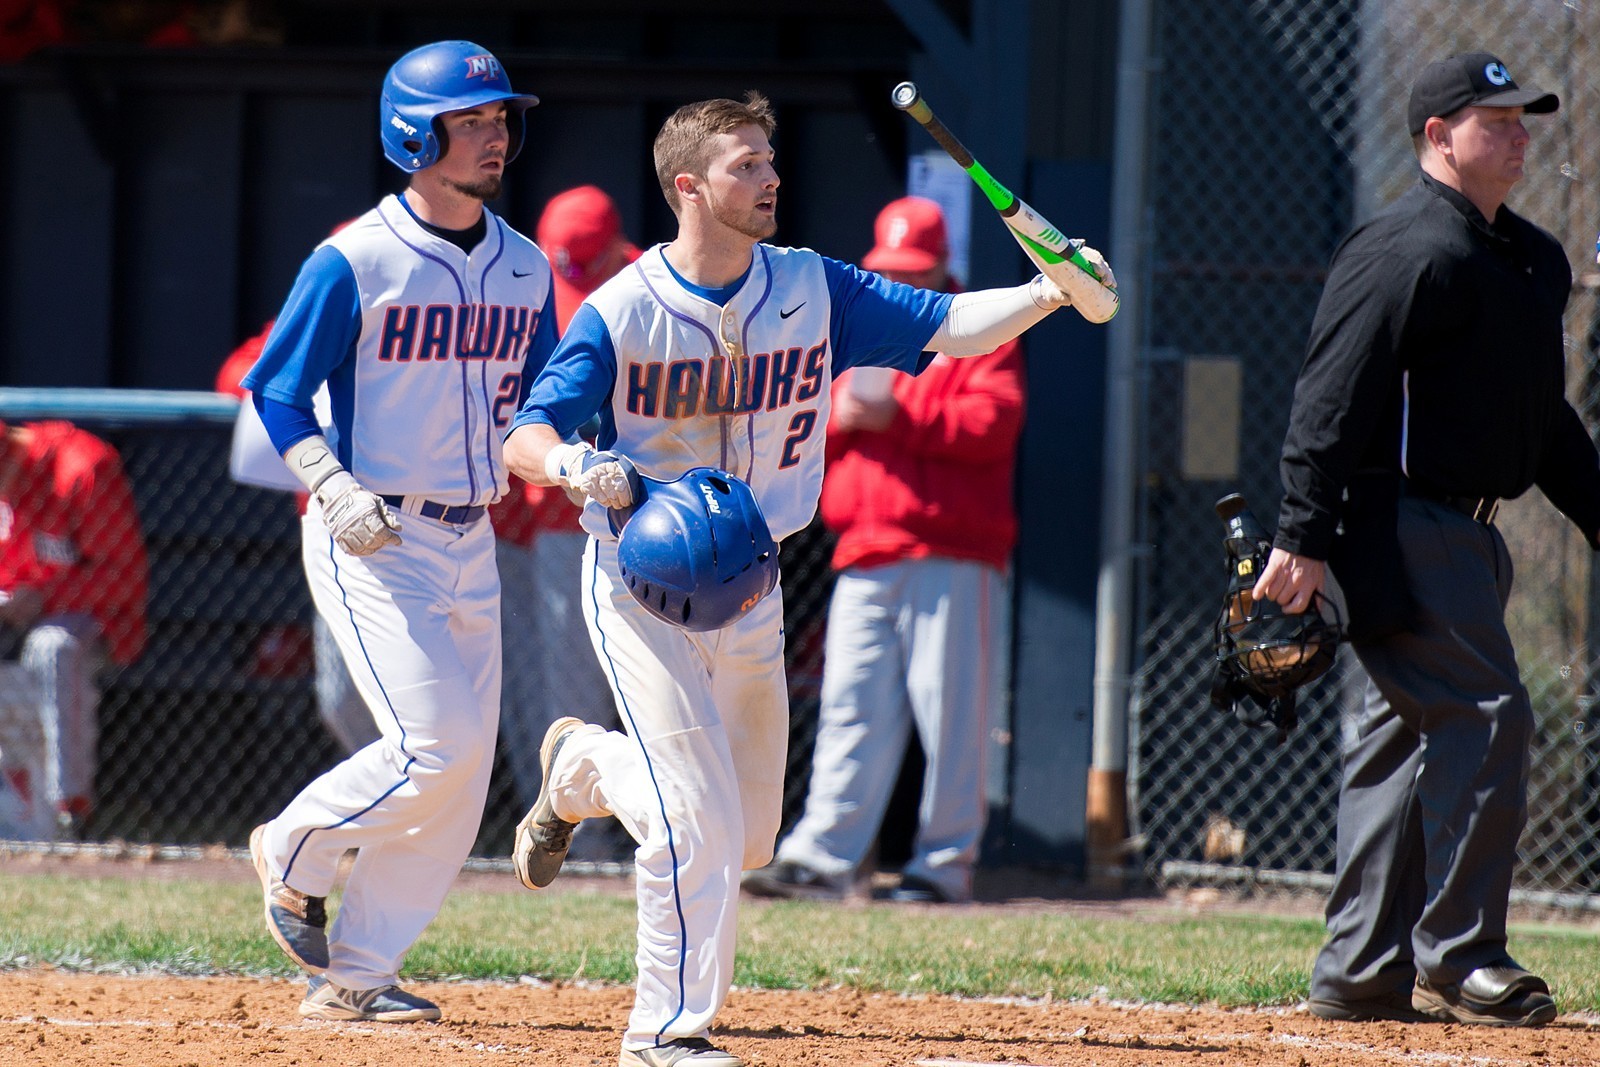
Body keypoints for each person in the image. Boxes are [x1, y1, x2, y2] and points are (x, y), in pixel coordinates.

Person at [501, 92, 1110, 1066]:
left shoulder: (810, 285)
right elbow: (526, 432)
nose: (772, 175)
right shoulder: (624, 306)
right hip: (637, 580)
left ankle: (581, 765)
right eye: (747, 163)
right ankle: (666, 1031)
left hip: (749, 580)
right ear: (689, 186)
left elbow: (949, 326)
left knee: (744, 839)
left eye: (770, 159)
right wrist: (572, 465)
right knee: (693, 820)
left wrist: (1046, 294)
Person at [1253, 52, 1587, 1028]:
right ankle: (1460, 951)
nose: (1519, 131)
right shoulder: (1404, 247)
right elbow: (1328, 397)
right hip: (1399, 522)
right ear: (1437, 136)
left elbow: (1541, 417)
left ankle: (1360, 967)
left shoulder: (1528, 257)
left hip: (1470, 534)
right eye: (1493, 118)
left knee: (1404, 743)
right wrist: (1301, 535)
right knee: (1486, 714)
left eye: (1524, 117)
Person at [242, 40, 556, 1024]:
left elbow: (543, 403)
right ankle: (293, 846)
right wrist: (328, 482)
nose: (495, 134)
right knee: (439, 745)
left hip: (474, 537)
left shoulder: (525, 264)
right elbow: (278, 392)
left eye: (501, 118)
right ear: (413, 134)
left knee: (459, 789)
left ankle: (355, 975)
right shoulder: (356, 257)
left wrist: (573, 460)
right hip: (372, 532)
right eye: (472, 120)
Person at [742, 196, 1025, 906]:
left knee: (952, 712)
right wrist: (836, 422)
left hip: (952, 548)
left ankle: (943, 864)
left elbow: (993, 422)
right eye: (893, 269)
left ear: (942, 269)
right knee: (850, 705)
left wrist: (901, 415)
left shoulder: (984, 325)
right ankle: (824, 857)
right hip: (865, 545)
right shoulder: (859, 323)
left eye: (917, 271)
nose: (906, 280)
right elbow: (800, 432)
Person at [495, 186, 639, 829]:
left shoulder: (642, 283)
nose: (570, 278)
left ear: (611, 246)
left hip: (607, 519)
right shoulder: (532, 278)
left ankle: (594, 838)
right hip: (528, 516)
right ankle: (547, 824)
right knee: (528, 689)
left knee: (586, 689)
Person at [217, 221, 378, 756]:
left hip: (424, 529)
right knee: (341, 699)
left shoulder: (418, 326)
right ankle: (396, 800)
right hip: (338, 534)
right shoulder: (314, 318)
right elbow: (240, 369)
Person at [0, 419, 148, 838]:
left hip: (91, 615)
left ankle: (69, 808)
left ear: (9, 453)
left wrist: (44, 597)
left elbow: (125, 578)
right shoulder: (10, 477)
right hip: (17, 611)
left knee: (53, 648)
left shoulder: (83, 467)